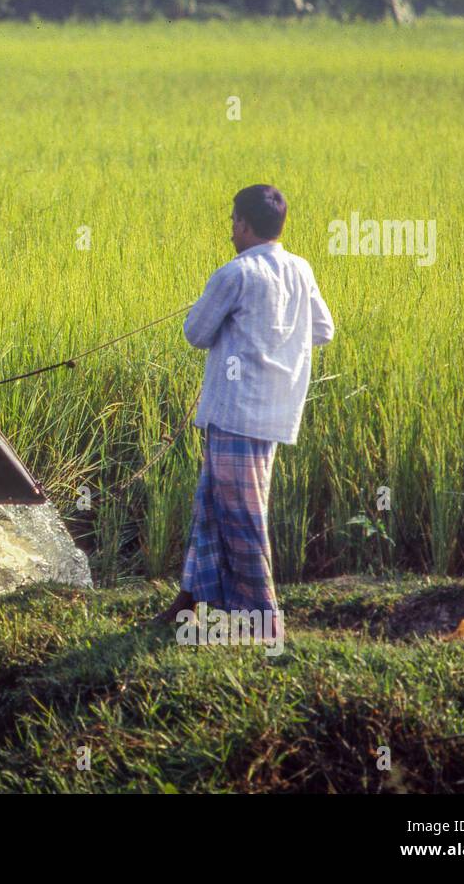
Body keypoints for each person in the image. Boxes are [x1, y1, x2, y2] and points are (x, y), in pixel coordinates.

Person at [155, 185, 335, 640]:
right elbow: (322, 330)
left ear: (243, 224)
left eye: (233, 220)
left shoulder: (234, 273)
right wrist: (275, 344)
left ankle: (265, 620)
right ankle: (189, 601)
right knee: (212, 506)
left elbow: (195, 333)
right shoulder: (300, 269)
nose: (231, 228)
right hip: (272, 412)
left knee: (242, 514)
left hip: (235, 412)